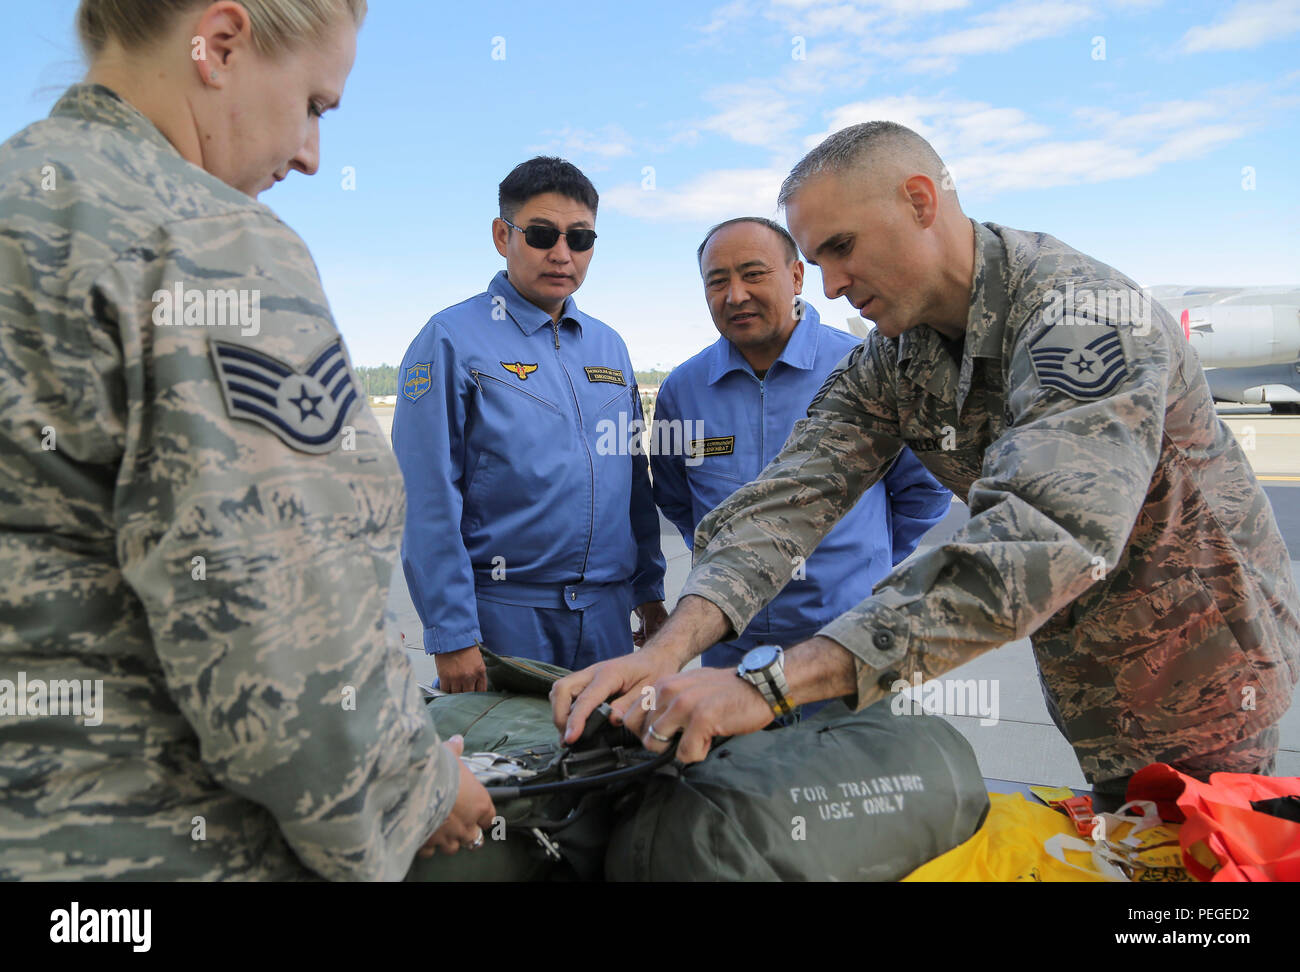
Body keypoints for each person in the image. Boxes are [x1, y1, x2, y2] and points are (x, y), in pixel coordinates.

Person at [553, 122, 1300, 808]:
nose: (834, 284)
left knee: (1199, 880)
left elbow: (1035, 540)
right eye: (818, 261)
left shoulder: (1081, 315)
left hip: (1199, 669)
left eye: (842, 247)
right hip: (1085, 665)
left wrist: (772, 685)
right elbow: (789, 498)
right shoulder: (898, 354)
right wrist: (668, 651)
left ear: (918, 201)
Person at [0, 0, 493, 880]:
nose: (310, 155)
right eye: (314, 105)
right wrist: (421, 789)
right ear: (220, 45)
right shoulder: (209, 241)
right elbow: (289, 650)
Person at [393, 157, 666, 693]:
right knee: (515, 772)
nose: (562, 254)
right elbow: (427, 496)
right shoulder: (451, 339)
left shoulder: (610, 345)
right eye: (541, 235)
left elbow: (634, 479)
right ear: (503, 235)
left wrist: (648, 590)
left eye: (580, 238)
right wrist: (452, 633)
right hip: (506, 619)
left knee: (613, 768)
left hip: (607, 618)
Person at [651, 216, 950, 670]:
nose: (736, 295)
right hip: (730, 642)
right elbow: (677, 499)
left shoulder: (864, 367)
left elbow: (924, 490)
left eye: (753, 274)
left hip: (846, 639)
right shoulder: (683, 388)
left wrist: (865, 567)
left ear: (796, 276)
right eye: (717, 281)